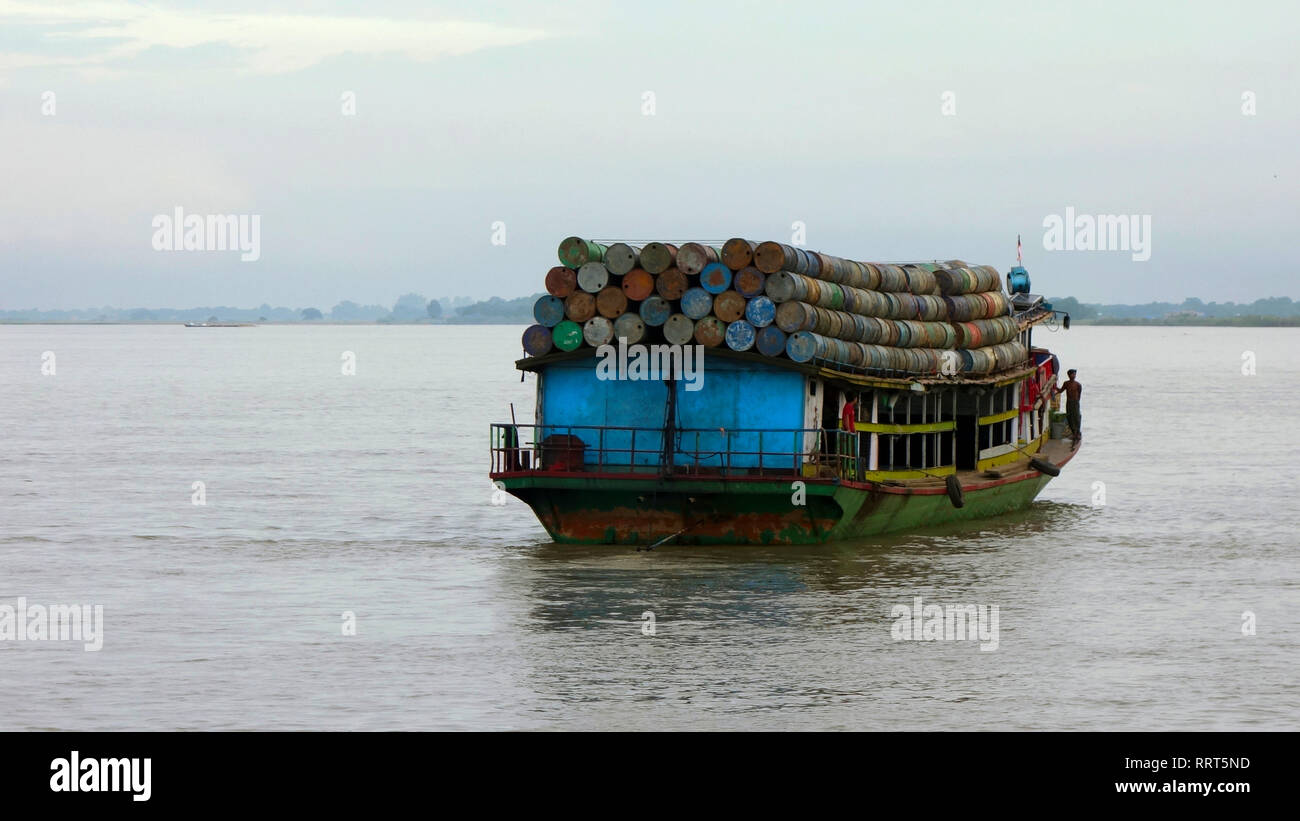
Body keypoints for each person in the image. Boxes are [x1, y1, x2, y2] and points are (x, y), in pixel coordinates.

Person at [1059, 369, 1083, 446]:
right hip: (1069, 402)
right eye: (1072, 374)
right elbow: (1061, 391)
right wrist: (1055, 390)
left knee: (1077, 417)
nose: (1074, 376)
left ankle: (1077, 433)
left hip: (1075, 402)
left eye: (1074, 374)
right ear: (1069, 375)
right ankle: (1073, 433)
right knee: (1070, 417)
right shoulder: (1066, 383)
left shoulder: (1078, 384)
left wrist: (1076, 401)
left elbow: (1079, 394)